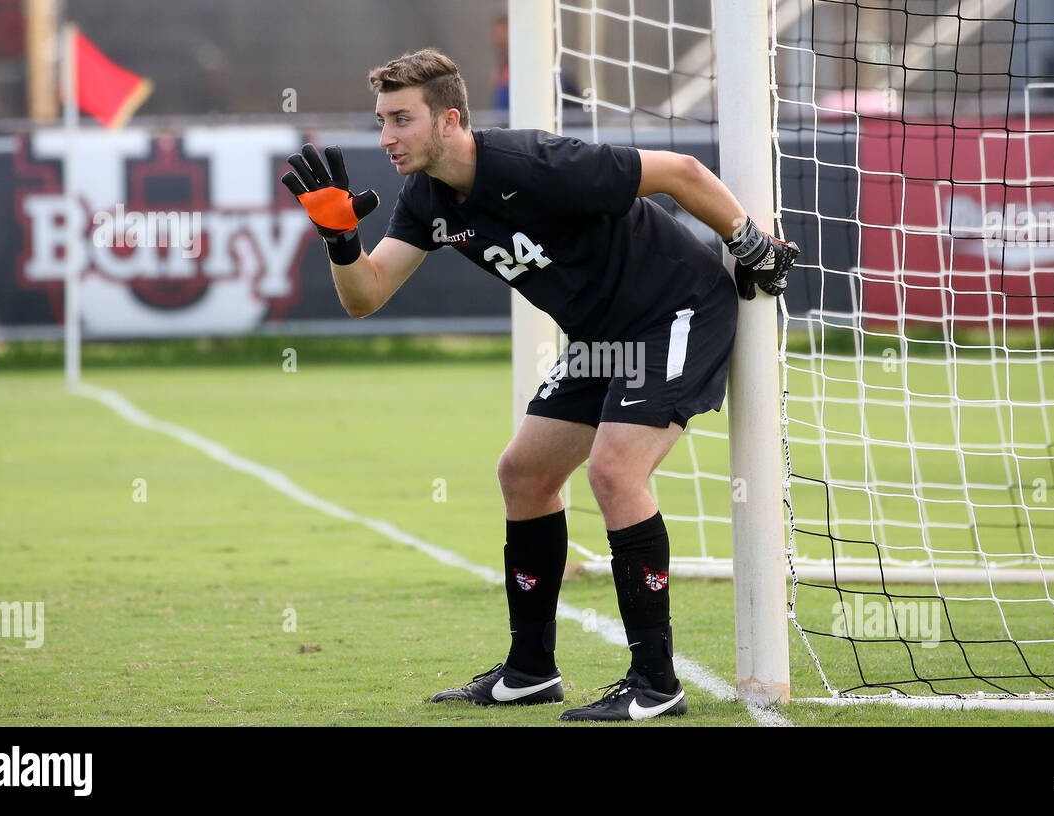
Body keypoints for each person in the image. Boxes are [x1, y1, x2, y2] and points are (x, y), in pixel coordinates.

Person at [280, 48, 796, 722]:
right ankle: (529, 673)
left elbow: (682, 171)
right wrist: (340, 239)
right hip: (602, 337)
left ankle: (656, 682)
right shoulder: (427, 200)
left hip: (675, 310)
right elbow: (364, 296)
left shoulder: (534, 164)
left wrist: (750, 241)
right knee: (524, 474)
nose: (386, 138)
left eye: (401, 119)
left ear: (451, 119)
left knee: (614, 474)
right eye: (381, 121)